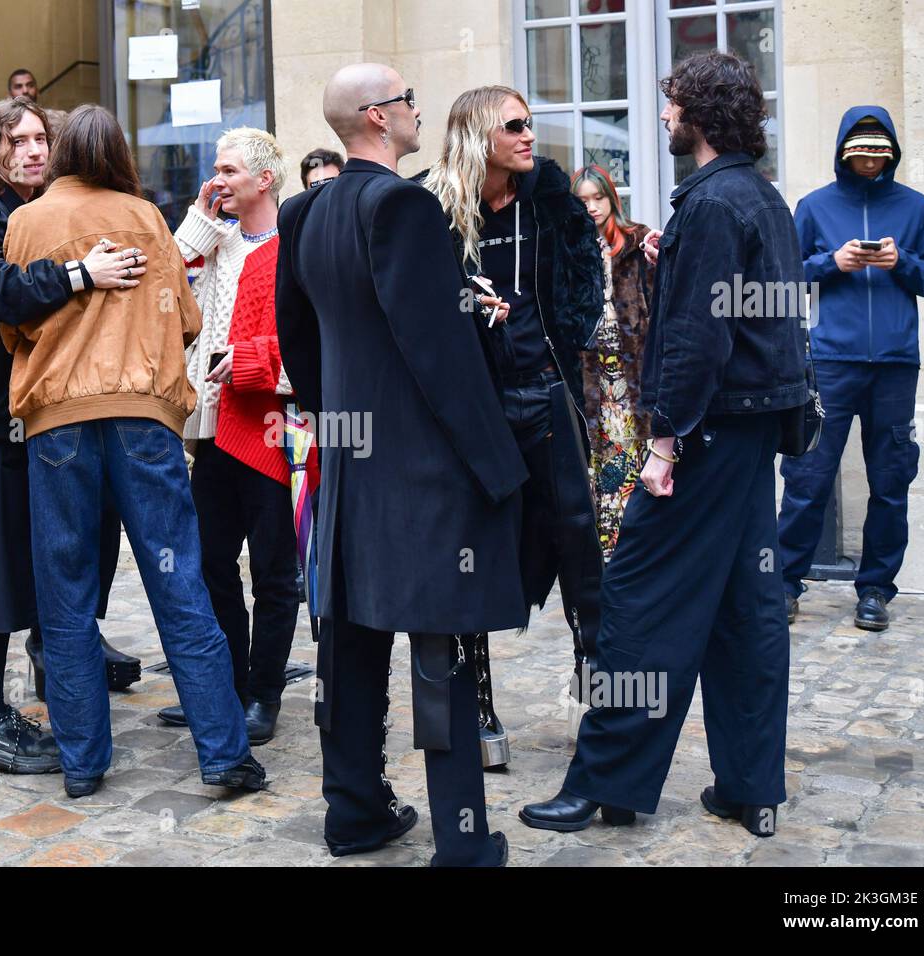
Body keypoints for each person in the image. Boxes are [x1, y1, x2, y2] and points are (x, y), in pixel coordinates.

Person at [519, 52, 808, 838]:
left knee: (639, 606)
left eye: (672, 104)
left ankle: (604, 784)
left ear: (700, 115)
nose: (663, 116)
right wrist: (673, 268)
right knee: (746, 613)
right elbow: (757, 320)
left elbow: (696, 342)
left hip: (706, 439)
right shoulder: (758, 197)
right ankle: (751, 789)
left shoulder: (715, 206)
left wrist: (664, 444)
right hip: (748, 438)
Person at [277, 63, 528, 866]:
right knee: (442, 653)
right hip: (422, 473)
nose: (420, 112)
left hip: (350, 466)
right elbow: (439, 357)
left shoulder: (304, 211)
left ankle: (353, 812)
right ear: (380, 119)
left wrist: (333, 420)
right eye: (411, 102)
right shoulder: (405, 206)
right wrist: (498, 465)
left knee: (348, 646)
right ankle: (461, 843)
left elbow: (301, 343)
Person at [1, 104, 265, 799]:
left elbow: (15, 324)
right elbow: (185, 319)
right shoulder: (146, 217)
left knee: (65, 593)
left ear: (59, 152)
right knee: (178, 579)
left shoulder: (27, 221)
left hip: (59, 420)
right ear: (120, 149)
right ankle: (224, 751)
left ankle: (83, 762)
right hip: (144, 420)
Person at [0, 97, 144, 771]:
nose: (36, 149)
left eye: (42, 138)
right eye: (20, 141)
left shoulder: (10, 211)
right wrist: (78, 273)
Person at [419, 86, 604, 765]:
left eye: (531, 124)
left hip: (548, 391)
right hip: (477, 408)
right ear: (478, 135)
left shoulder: (548, 202)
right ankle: (481, 711)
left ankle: (598, 697)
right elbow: (413, 302)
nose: (530, 136)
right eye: (515, 126)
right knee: (479, 553)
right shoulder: (433, 208)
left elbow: (587, 274)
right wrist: (467, 303)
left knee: (580, 545)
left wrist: (568, 335)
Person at [777, 107, 924, 632]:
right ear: (844, 155)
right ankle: (784, 583)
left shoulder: (915, 207)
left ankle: (874, 589)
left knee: (892, 480)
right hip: (829, 361)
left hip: (896, 365)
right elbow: (784, 280)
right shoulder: (814, 207)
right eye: (861, 153)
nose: (871, 161)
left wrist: (904, 263)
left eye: (879, 153)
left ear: (891, 154)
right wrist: (834, 262)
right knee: (808, 477)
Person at [155, 127, 299, 744]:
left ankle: (264, 693)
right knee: (210, 564)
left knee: (272, 572)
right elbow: (165, 273)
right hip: (210, 426)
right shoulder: (217, 243)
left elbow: (309, 343)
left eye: (230, 171)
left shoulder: (293, 248)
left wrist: (252, 361)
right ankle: (226, 686)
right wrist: (202, 212)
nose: (218, 180)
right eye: (214, 170)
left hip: (267, 427)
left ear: (264, 180)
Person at [572, 164, 656, 560]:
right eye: (583, 200)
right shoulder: (571, 247)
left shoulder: (638, 243)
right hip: (589, 376)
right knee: (595, 458)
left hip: (630, 374)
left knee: (629, 454)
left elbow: (658, 308)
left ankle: (633, 545)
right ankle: (604, 548)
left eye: (598, 197)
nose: (591, 207)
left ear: (611, 197)